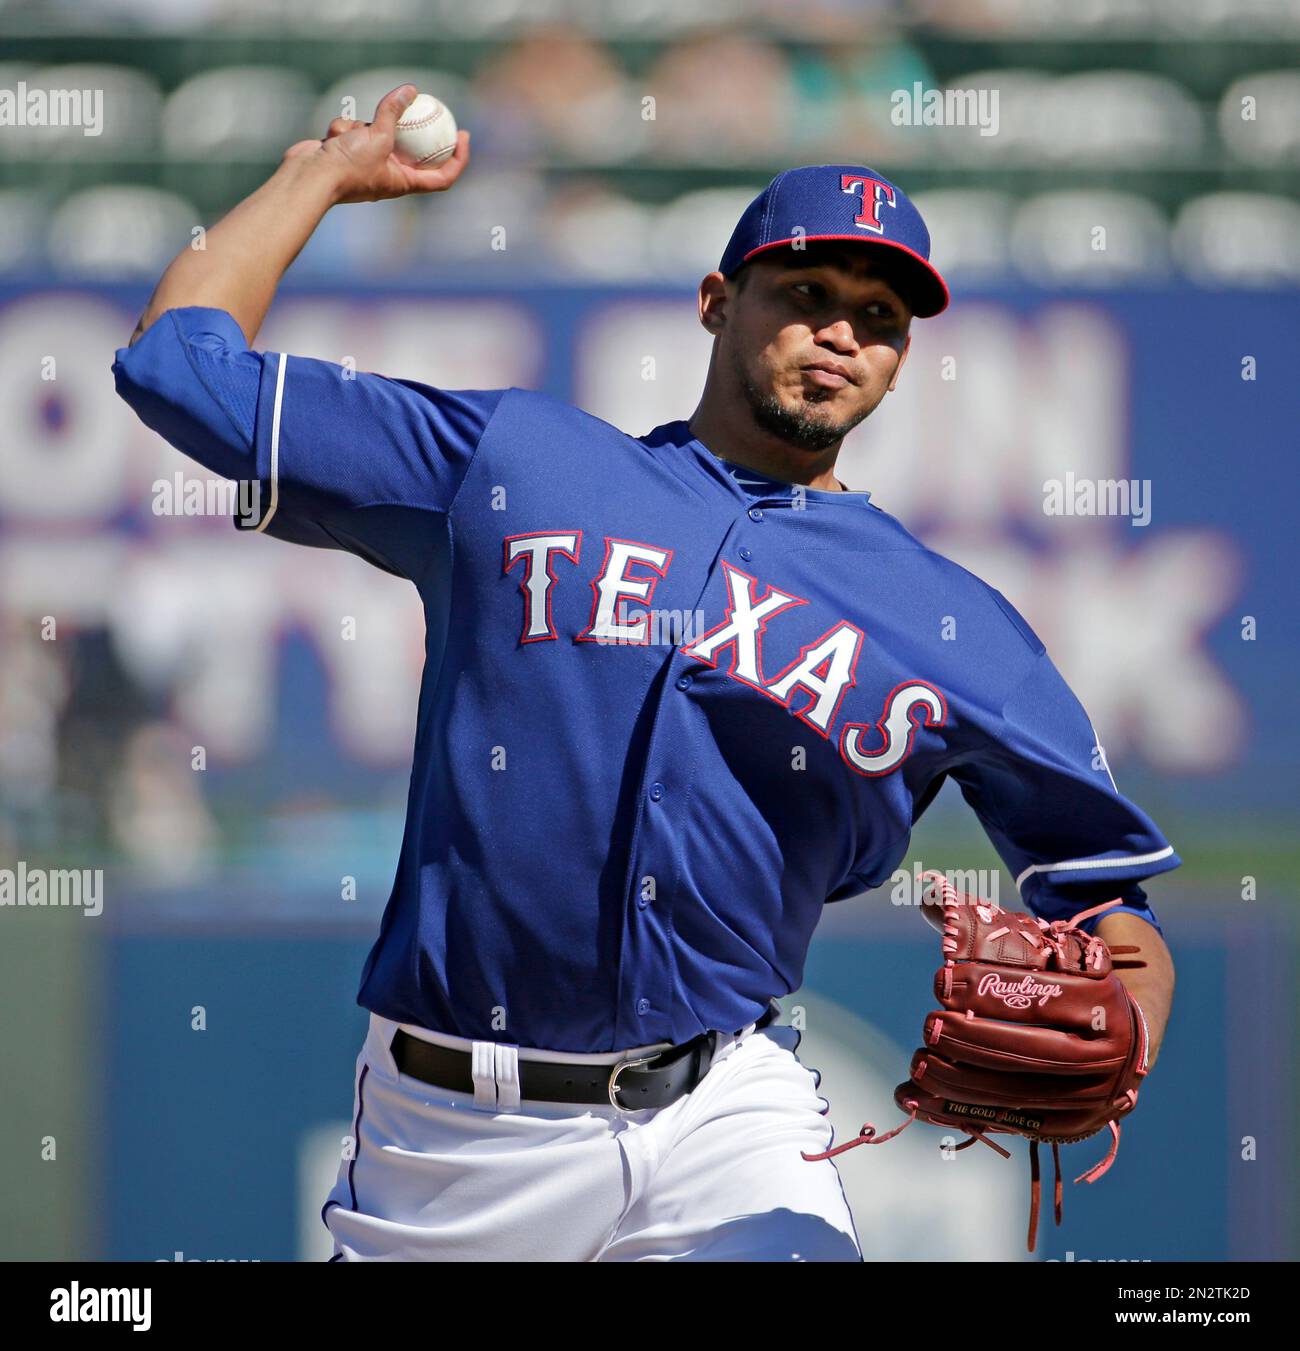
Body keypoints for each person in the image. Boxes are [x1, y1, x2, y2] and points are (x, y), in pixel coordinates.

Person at [112, 86, 1178, 1262]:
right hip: (453, 1136)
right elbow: (179, 369)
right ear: (717, 302)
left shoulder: (949, 622)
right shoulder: (512, 463)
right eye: (806, 294)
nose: (838, 333)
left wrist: (1125, 1016)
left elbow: (1101, 892)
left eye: (876, 317)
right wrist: (320, 175)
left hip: (725, 1108)